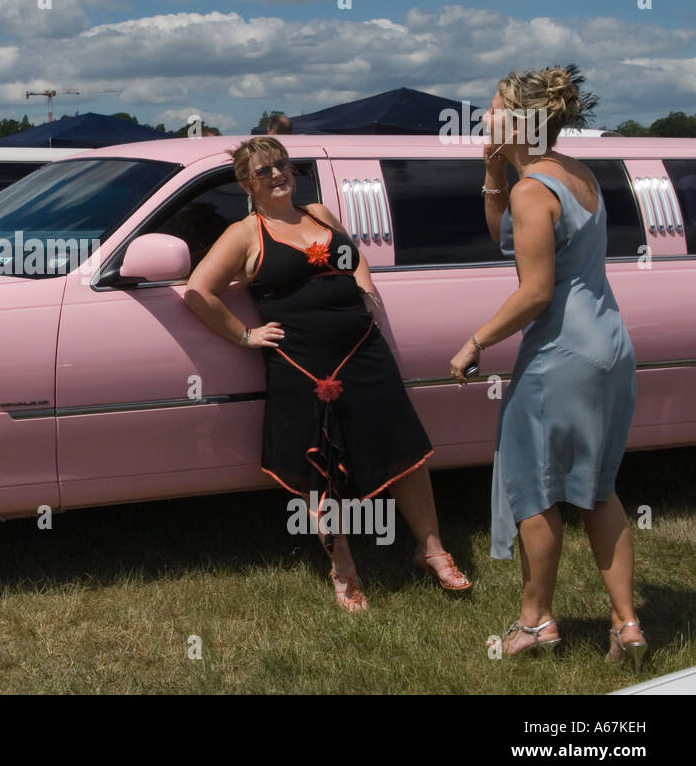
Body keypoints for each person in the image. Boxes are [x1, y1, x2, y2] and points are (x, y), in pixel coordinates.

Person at [187, 136, 470, 611]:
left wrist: (366, 293)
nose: (278, 174)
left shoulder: (320, 212)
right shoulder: (245, 233)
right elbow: (198, 291)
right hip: (303, 363)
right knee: (323, 466)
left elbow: (353, 256)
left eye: (282, 164)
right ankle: (343, 569)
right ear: (245, 182)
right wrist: (245, 336)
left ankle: (431, 549)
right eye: (264, 170)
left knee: (405, 449)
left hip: (363, 349)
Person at [448, 67, 642, 666]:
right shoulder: (573, 173)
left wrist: (475, 340)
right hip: (609, 342)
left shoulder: (534, 190)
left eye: (494, 107)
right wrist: (493, 171)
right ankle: (627, 626)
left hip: (561, 353)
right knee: (598, 491)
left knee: (535, 493)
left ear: (521, 119)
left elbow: (533, 291)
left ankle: (534, 624)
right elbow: (506, 236)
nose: (484, 116)